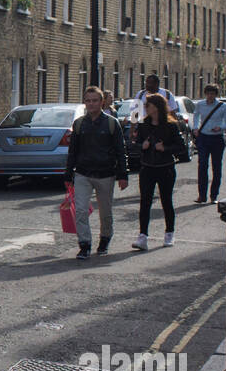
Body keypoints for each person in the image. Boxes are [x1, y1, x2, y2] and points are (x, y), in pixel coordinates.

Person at [66, 86, 129, 260]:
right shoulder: (79, 124)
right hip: (83, 173)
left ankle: (105, 239)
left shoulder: (111, 123)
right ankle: (84, 244)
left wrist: (123, 174)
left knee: (106, 212)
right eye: (88, 100)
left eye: (95, 100)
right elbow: (73, 151)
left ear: (102, 102)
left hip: (106, 174)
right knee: (80, 210)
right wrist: (68, 174)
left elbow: (120, 150)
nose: (91, 104)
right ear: (84, 102)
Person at [132, 93, 183, 251]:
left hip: (165, 167)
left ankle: (169, 233)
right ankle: (143, 236)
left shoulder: (171, 125)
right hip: (147, 167)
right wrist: (142, 146)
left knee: (166, 201)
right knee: (145, 202)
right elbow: (135, 144)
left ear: (157, 107)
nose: (146, 108)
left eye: (148, 105)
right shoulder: (143, 124)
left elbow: (180, 147)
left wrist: (165, 148)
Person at [190, 84, 226, 204]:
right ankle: (202, 196)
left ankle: (214, 196)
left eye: (212, 93)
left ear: (216, 94)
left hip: (217, 139)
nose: (210, 96)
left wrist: (220, 127)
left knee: (216, 167)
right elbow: (196, 116)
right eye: (208, 93)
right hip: (203, 137)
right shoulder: (200, 104)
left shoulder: (223, 106)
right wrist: (196, 128)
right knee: (202, 165)